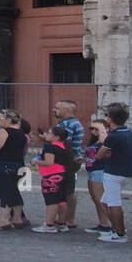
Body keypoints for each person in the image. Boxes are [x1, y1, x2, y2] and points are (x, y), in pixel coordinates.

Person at [91, 102, 132, 243]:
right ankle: (116, 227)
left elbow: (99, 154)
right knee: (105, 201)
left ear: (110, 119)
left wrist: (106, 150)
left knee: (113, 203)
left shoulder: (114, 136)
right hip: (126, 170)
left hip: (113, 172)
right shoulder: (131, 134)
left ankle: (120, 233)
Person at [0, 109, 30, 230]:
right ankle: (17, 218)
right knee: (14, 191)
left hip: (2, 165)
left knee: (4, 192)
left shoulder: (4, 131)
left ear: (8, 120)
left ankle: (3, 220)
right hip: (18, 164)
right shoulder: (22, 134)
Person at [31, 122, 78, 233]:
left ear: (56, 137)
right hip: (63, 175)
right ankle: (62, 223)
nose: (47, 134)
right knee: (61, 200)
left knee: (51, 201)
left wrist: (35, 161)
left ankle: (49, 224)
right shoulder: (64, 147)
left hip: (51, 176)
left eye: (50, 133)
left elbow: (49, 162)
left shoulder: (50, 147)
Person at [49, 98, 84, 229]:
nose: (54, 110)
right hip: (71, 160)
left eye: (57, 108)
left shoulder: (68, 125)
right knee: (67, 189)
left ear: (67, 110)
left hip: (66, 161)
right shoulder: (69, 123)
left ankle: (67, 219)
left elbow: (62, 142)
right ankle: (66, 218)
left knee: (66, 190)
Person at [83, 120, 111, 234]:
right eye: (92, 129)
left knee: (100, 199)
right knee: (96, 199)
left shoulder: (105, 141)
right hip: (91, 169)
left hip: (100, 170)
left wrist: (103, 133)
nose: (94, 131)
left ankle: (112, 224)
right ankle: (103, 223)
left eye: (97, 129)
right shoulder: (93, 142)